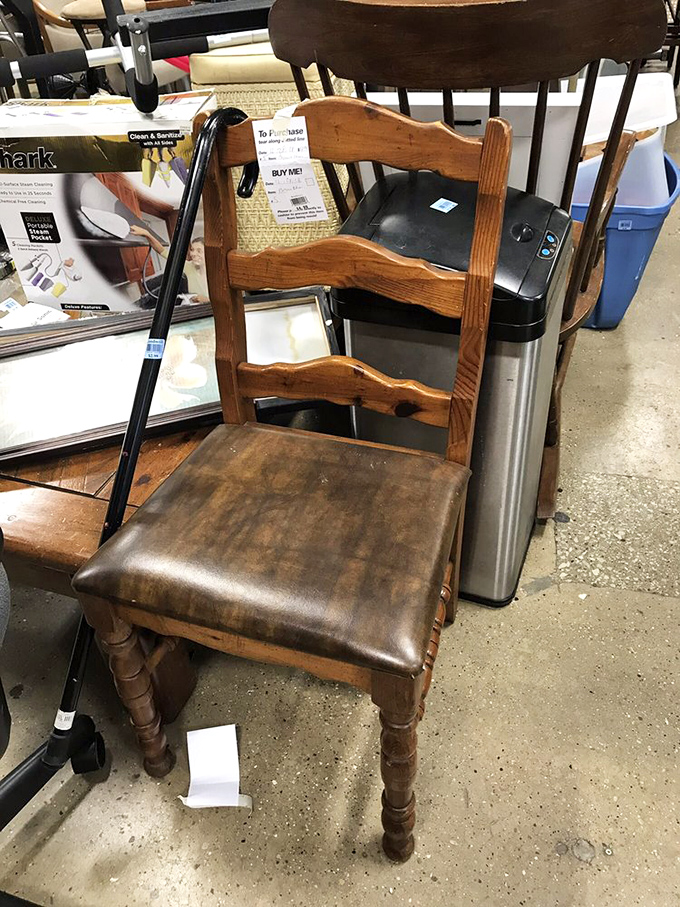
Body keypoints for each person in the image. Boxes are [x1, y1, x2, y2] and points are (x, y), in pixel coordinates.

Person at [129, 225, 209, 303]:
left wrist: (207, 300)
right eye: (192, 250)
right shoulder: (186, 266)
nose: (193, 254)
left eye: (199, 251)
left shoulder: (217, 276)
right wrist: (147, 234)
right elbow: (162, 251)